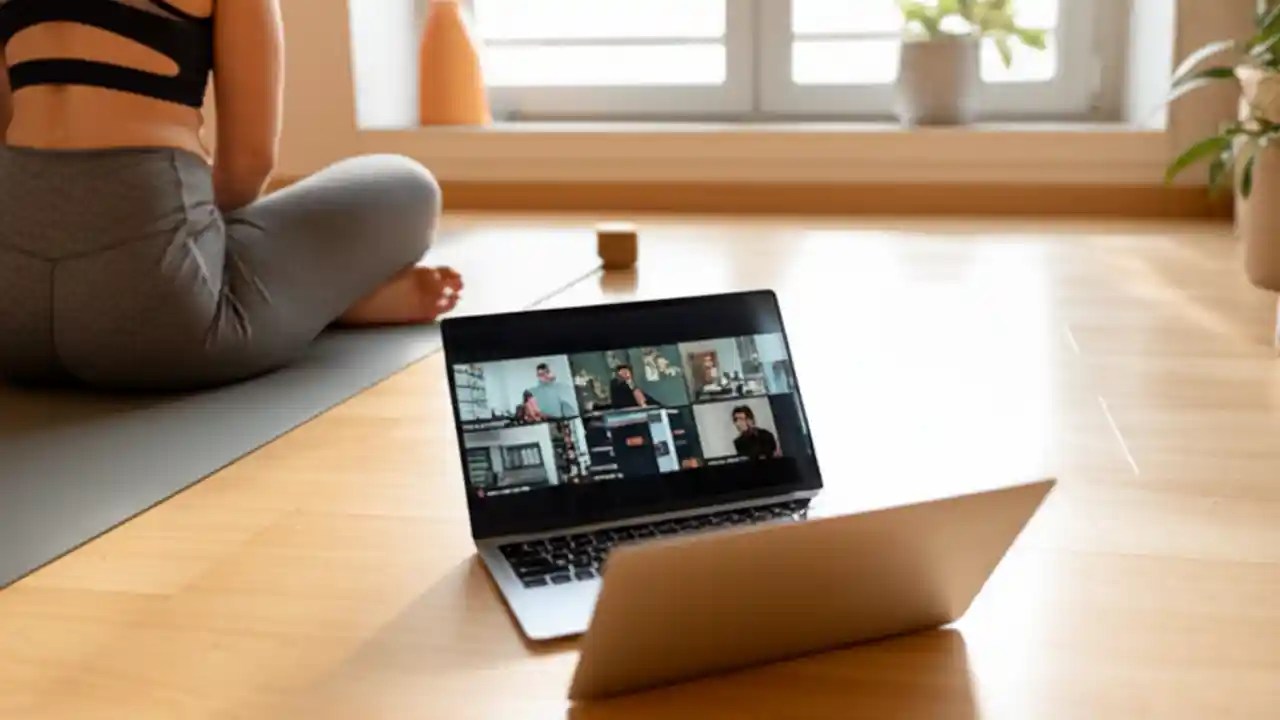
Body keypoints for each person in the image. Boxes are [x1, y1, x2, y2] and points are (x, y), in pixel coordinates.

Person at [0, 0, 463, 392]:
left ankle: (293, 298)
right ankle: (327, 300)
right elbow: (249, 163)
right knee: (408, 186)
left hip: (10, 324)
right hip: (159, 320)